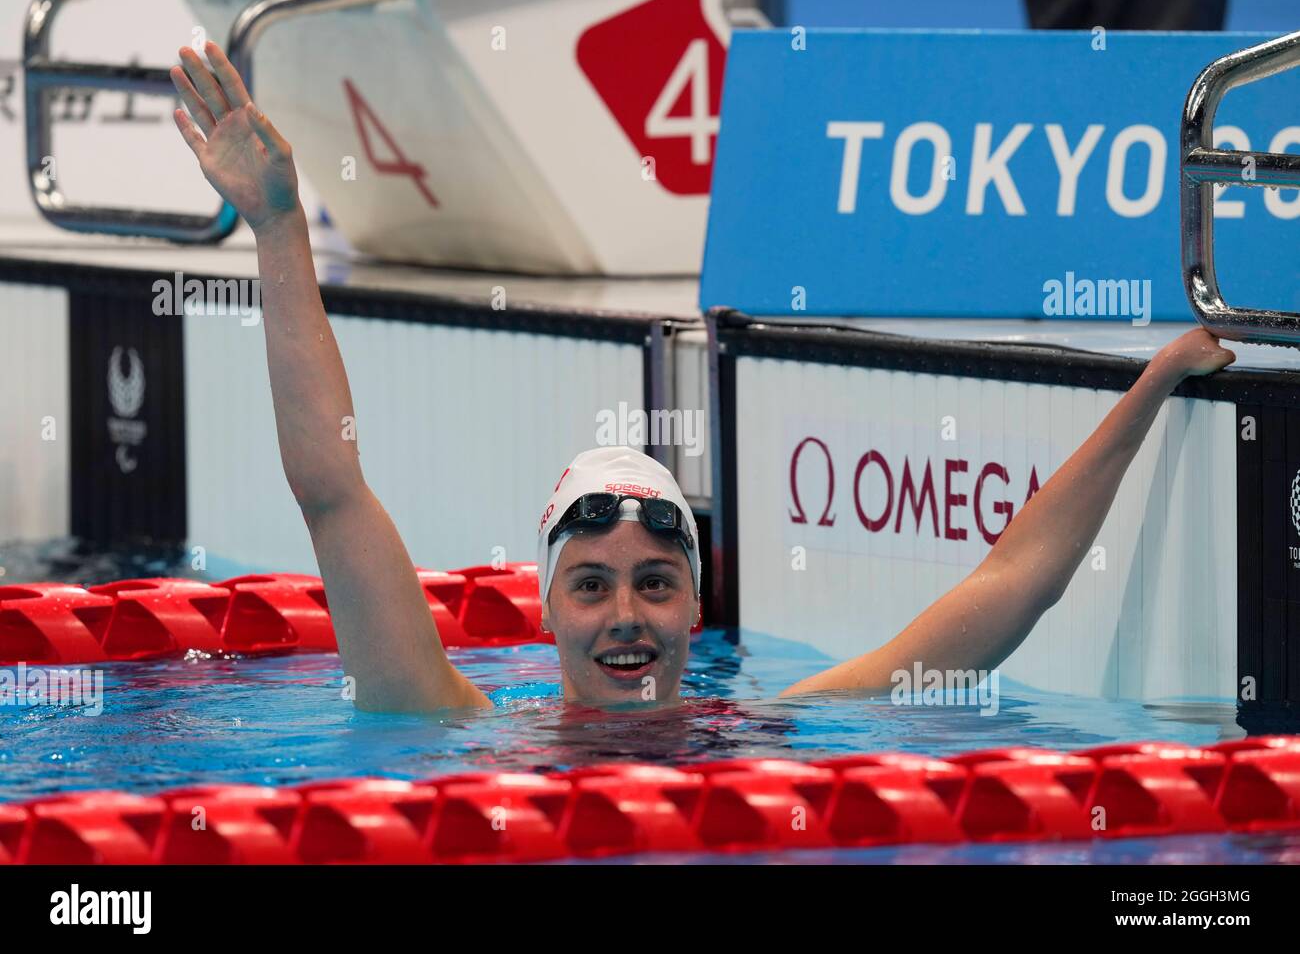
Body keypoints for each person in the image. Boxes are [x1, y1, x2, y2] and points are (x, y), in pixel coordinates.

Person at [169, 41, 1237, 713]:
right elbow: (332, 490)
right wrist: (274, 226)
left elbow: (1011, 585)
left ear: (696, 609)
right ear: (543, 610)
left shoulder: (770, 734)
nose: (625, 616)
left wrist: (1145, 392)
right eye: (590, 585)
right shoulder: (460, 737)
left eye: (652, 582)